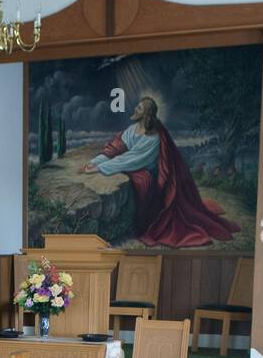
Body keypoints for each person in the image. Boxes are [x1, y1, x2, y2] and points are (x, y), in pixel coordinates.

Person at [79, 96, 240, 248]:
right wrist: (94, 162)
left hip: (148, 173)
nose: (135, 109)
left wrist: (99, 168)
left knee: (143, 181)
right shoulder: (133, 129)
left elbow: (131, 159)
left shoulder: (153, 138)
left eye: (139, 108)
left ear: (146, 114)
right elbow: (115, 148)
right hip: (133, 167)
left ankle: (144, 225)